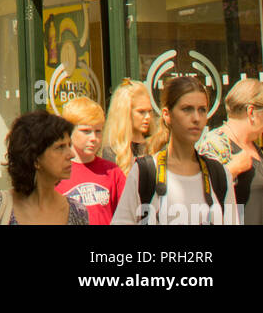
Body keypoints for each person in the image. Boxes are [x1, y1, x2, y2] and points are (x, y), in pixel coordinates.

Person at [111, 76, 240, 225]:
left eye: (202, 110)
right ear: (166, 114)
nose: (196, 118)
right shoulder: (145, 172)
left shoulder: (219, 174)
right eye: (187, 109)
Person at [0, 111, 88, 225]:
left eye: (69, 145)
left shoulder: (77, 212)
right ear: (35, 158)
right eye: (60, 147)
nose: (71, 154)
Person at [198, 77, 263, 224]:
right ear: (252, 112)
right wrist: (233, 169)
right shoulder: (215, 144)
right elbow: (202, 194)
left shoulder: (254, 146)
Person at [56, 98, 125, 224]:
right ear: (68, 131)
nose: (93, 138)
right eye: (86, 131)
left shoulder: (113, 172)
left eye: (98, 131)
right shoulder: (55, 173)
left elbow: (127, 217)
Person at [102, 79, 156, 172]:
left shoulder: (156, 145)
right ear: (126, 113)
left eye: (149, 111)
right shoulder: (112, 151)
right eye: (141, 112)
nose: (148, 117)